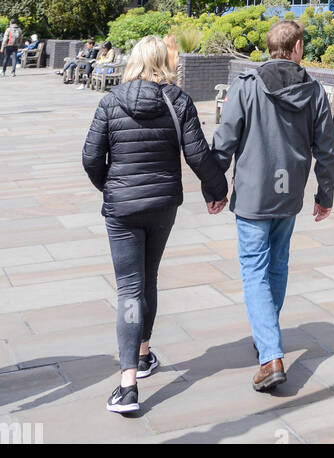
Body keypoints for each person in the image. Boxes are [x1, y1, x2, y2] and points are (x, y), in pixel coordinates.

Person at [82, 34, 228, 416]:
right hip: (163, 205)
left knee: (130, 288)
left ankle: (129, 382)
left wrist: (110, 187)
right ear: (164, 62)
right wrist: (217, 189)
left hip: (122, 209)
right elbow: (198, 153)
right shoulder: (176, 101)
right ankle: (143, 354)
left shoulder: (111, 101)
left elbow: (90, 157)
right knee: (149, 278)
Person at [210, 18, 334, 392]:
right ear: (296, 48)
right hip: (289, 194)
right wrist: (324, 194)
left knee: (254, 269)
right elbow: (326, 149)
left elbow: (224, 141)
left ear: (270, 48)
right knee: (277, 264)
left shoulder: (246, 86)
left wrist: (214, 187)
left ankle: (271, 356)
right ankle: (266, 338)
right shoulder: (313, 92)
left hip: (253, 194)